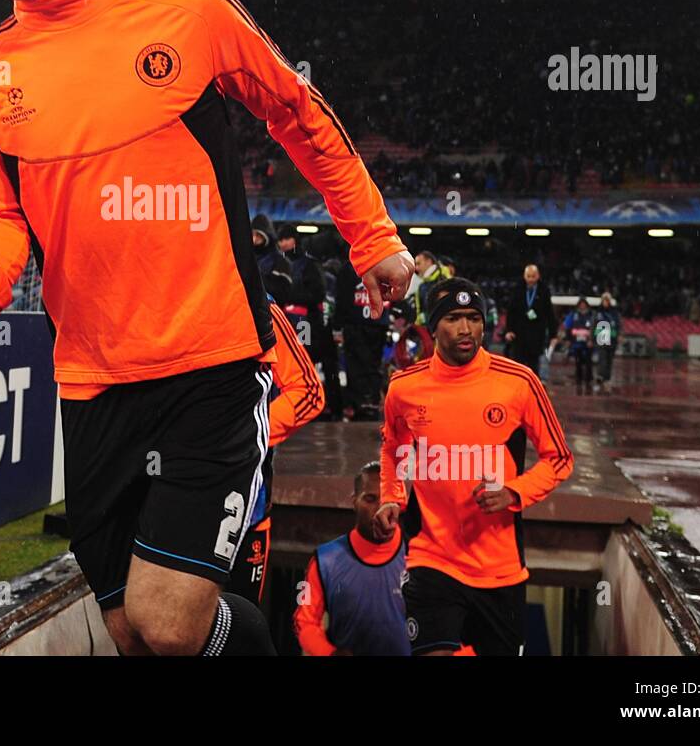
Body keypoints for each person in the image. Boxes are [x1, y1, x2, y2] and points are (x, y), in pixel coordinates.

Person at [0, 0, 414, 656]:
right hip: (89, 383)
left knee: (168, 621)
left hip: (212, 366)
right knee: (133, 635)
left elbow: (299, 116)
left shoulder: (187, 12)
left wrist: (372, 236)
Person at [376, 278, 574, 655]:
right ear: (433, 327)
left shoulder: (519, 382)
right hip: (431, 557)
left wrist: (515, 491)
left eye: (474, 318)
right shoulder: (404, 387)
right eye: (453, 318)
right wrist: (392, 498)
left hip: (499, 570)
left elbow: (559, 458)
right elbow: (393, 448)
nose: (466, 329)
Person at [228, 292, 325, 605]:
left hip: (248, 509)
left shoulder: (256, 302)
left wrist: (249, 433)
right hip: (177, 503)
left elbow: (308, 391)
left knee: (240, 621)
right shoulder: (163, 298)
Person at [293, 462, 410, 656]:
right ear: (354, 502)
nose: (380, 509)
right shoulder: (325, 560)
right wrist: (329, 653)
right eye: (370, 499)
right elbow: (304, 622)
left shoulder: (421, 555)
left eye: (387, 501)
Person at [277, 224, 344, 419]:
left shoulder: (308, 264)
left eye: (286, 239)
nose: (283, 243)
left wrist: (288, 295)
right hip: (289, 322)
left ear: (294, 240)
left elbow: (317, 293)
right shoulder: (279, 263)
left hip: (308, 324)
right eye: (280, 240)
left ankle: (325, 405)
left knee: (308, 361)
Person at [334, 255, 390, 419]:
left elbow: (342, 298)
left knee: (357, 364)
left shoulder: (349, 267)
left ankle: (360, 402)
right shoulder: (383, 263)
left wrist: (338, 323)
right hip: (377, 323)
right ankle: (370, 400)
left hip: (357, 323)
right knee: (372, 364)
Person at [503, 264, 557, 378]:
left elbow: (550, 314)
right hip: (519, 334)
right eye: (528, 276)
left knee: (534, 367)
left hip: (537, 335)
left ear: (538, 276)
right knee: (518, 366)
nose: (531, 279)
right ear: (524, 276)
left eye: (533, 276)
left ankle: (533, 390)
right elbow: (510, 311)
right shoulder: (517, 289)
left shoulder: (544, 291)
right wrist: (508, 330)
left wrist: (554, 334)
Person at [560, 297, 595, 393]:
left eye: (584, 304)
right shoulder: (573, 315)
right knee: (578, 362)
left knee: (588, 362)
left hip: (588, 342)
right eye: (581, 304)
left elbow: (595, 328)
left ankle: (588, 380)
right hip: (576, 343)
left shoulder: (591, 315)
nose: (582, 306)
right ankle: (579, 379)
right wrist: (568, 339)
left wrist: (592, 340)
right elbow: (568, 327)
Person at [593, 292, 622, 391]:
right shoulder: (598, 312)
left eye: (607, 300)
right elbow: (593, 325)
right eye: (604, 300)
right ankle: (601, 375)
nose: (605, 302)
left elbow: (619, 325)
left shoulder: (614, 313)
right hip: (602, 337)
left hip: (612, 338)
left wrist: (620, 335)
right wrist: (591, 338)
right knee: (602, 359)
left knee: (609, 359)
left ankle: (607, 378)